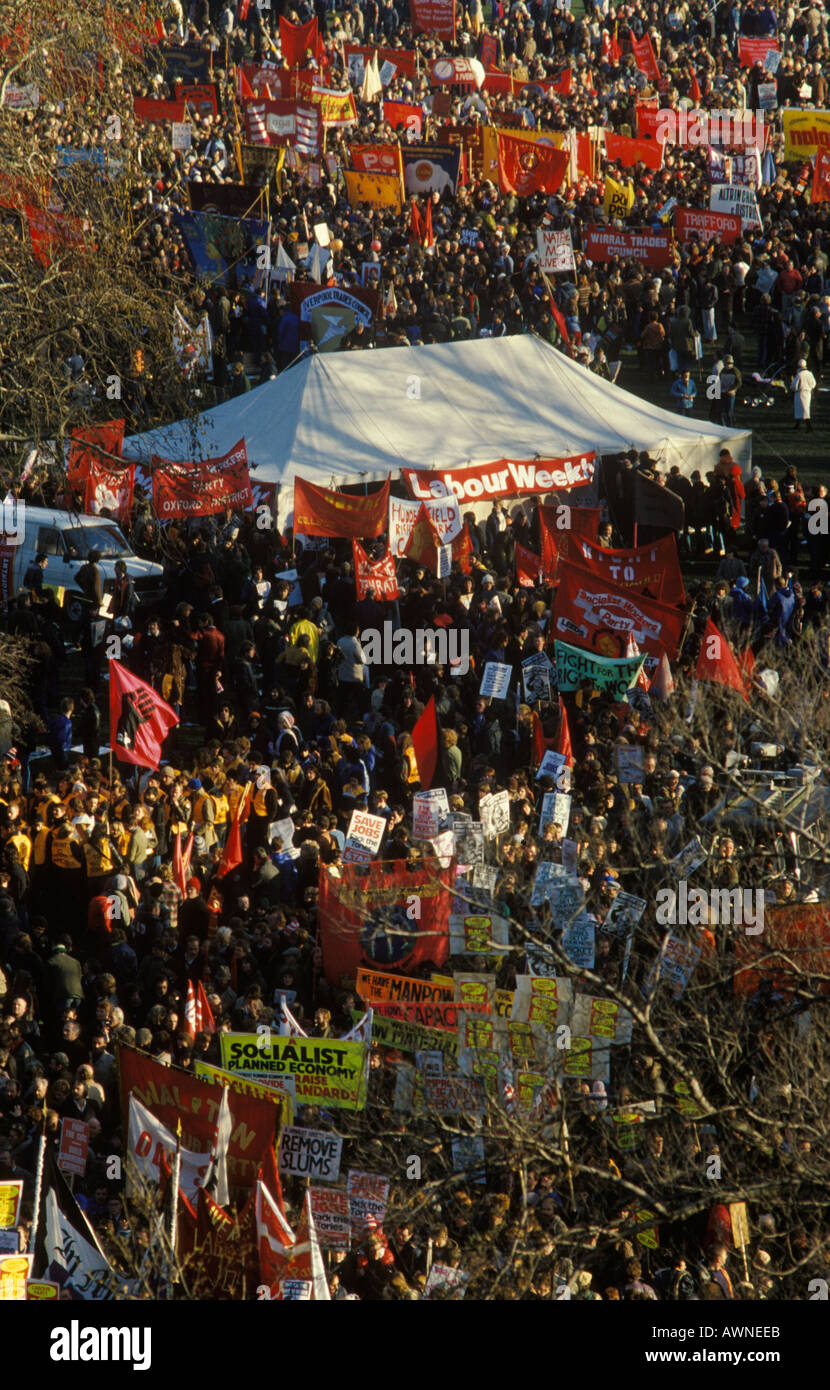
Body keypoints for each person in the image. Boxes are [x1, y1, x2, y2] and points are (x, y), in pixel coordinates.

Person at [792, 358, 816, 431]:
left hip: (800, 393)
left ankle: (809, 427)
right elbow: (813, 384)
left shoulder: (799, 375)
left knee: (801, 410)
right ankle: (797, 425)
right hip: (808, 393)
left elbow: (794, 386)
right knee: (805, 409)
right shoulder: (810, 373)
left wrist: (794, 389)